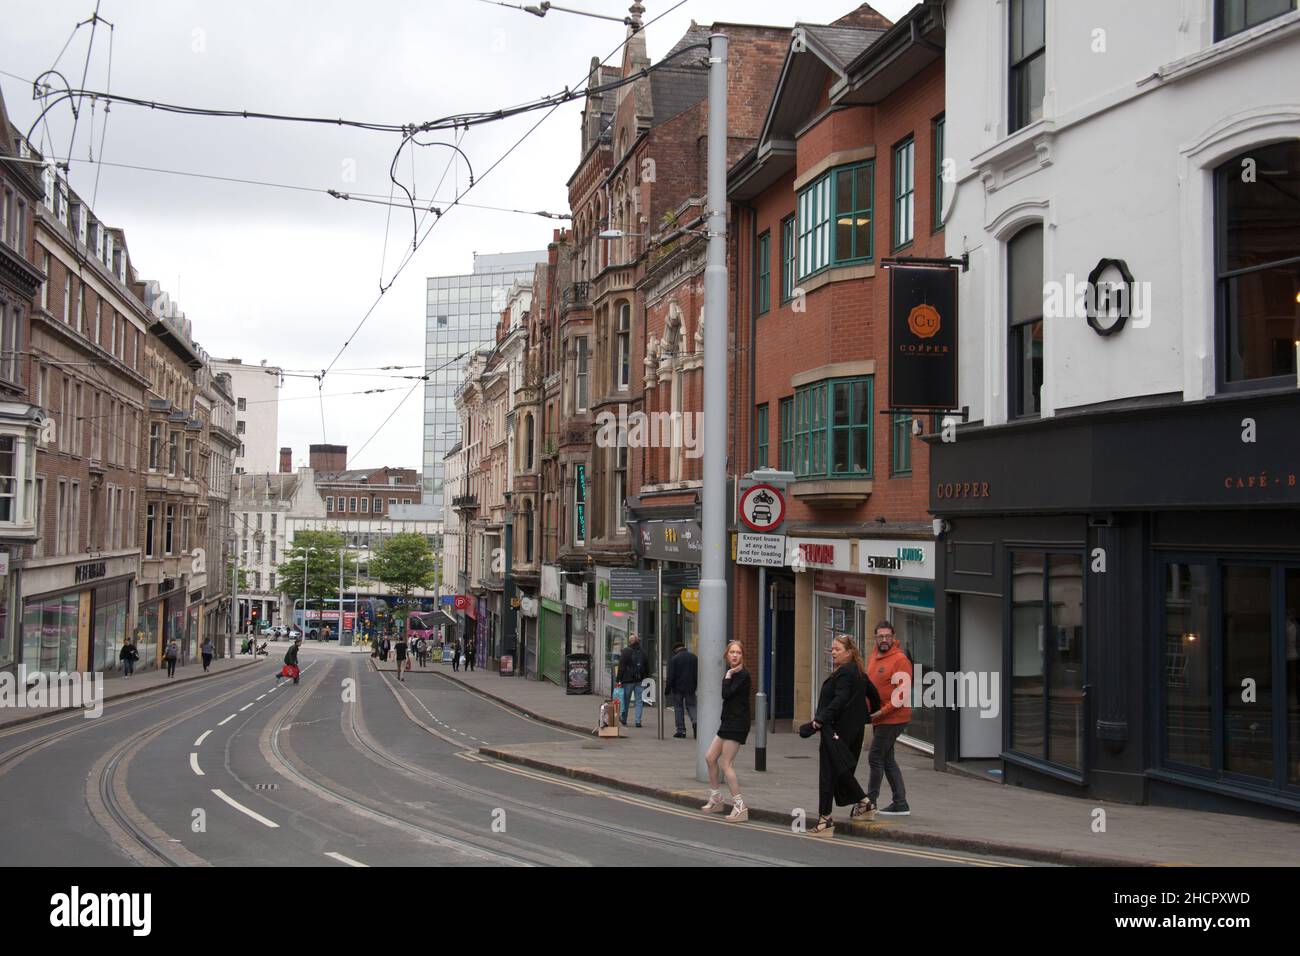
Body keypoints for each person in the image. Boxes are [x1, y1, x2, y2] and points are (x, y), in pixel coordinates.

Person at [802, 635, 881, 837]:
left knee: (830, 773)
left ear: (849, 652)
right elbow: (874, 696)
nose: (833, 652)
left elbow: (839, 700)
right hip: (851, 730)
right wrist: (867, 716)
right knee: (839, 771)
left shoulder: (846, 672)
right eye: (833, 648)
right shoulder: (858, 672)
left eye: (837, 649)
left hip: (836, 730)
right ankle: (857, 807)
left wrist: (817, 722)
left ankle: (832, 816)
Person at [866, 621, 912, 816]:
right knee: (887, 759)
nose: (884, 640)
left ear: (893, 638)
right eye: (880, 636)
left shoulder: (900, 660)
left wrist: (882, 712)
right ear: (875, 638)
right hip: (879, 717)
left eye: (888, 636)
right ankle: (900, 803)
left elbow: (903, 693)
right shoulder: (874, 656)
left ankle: (869, 802)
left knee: (875, 756)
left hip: (893, 718)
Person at [702, 640, 751, 822]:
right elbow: (727, 693)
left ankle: (740, 806)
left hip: (737, 723)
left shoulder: (743, 675)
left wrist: (729, 674)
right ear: (727, 655)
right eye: (732, 652)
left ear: (742, 656)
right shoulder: (730, 674)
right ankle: (716, 798)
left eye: (738, 652)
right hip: (727, 722)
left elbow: (726, 694)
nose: (735, 655)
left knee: (726, 763)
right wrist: (729, 675)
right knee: (709, 757)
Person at [665, 642, 698, 739]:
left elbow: (670, 676)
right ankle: (695, 722)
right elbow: (697, 674)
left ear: (675, 649)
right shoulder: (694, 657)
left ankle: (681, 731)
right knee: (692, 706)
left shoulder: (674, 659)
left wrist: (667, 689)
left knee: (679, 708)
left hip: (678, 688)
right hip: (691, 688)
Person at [616, 633, 648, 727]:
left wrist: (618, 679)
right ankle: (638, 721)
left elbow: (621, 667)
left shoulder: (626, 651)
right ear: (637, 641)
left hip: (628, 680)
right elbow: (647, 665)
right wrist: (645, 676)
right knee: (639, 701)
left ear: (630, 642)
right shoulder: (643, 651)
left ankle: (624, 719)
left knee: (626, 700)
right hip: (639, 680)